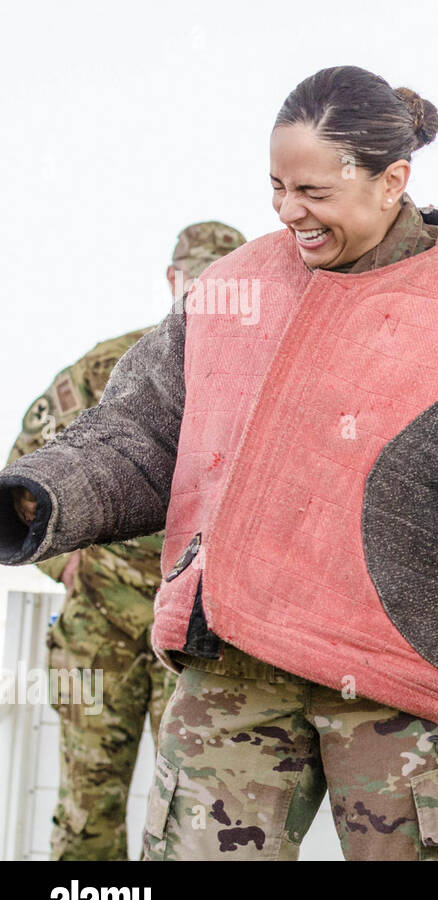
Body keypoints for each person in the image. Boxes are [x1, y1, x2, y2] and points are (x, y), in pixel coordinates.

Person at [0, 65, 438, 861]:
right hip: (233, 663)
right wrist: (37, 496)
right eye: (276, 186)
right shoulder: (238, 286)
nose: (286, 211)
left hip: (398, 680)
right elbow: (139, 432)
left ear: (391, 180)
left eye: (312, 192)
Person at [8, 220, 245, 860]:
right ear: (174, 282)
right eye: (195, 282)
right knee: (89, 811)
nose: (205, 297)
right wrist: (72, 569)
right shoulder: (110, 370)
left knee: (194, 821)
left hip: (199, 637)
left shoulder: (258, 383)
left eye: (222, 285)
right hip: (99, 630)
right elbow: (25, 479)